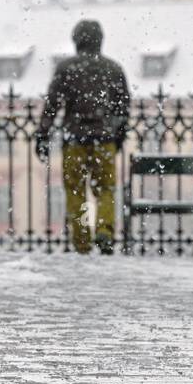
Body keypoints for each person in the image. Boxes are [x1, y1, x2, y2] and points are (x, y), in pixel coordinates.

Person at [35, 20, 131, 254]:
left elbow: (52, 106)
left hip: (74, 140)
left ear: (76, 41)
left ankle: (81, 241)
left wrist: (43, 134)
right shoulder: (113, 69)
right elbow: (123, 108)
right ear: (100, 41)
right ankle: (105, 231)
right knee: (106, 189)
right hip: (104, 141)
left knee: (75, 192)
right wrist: (117, 135)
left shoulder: (66, 68)